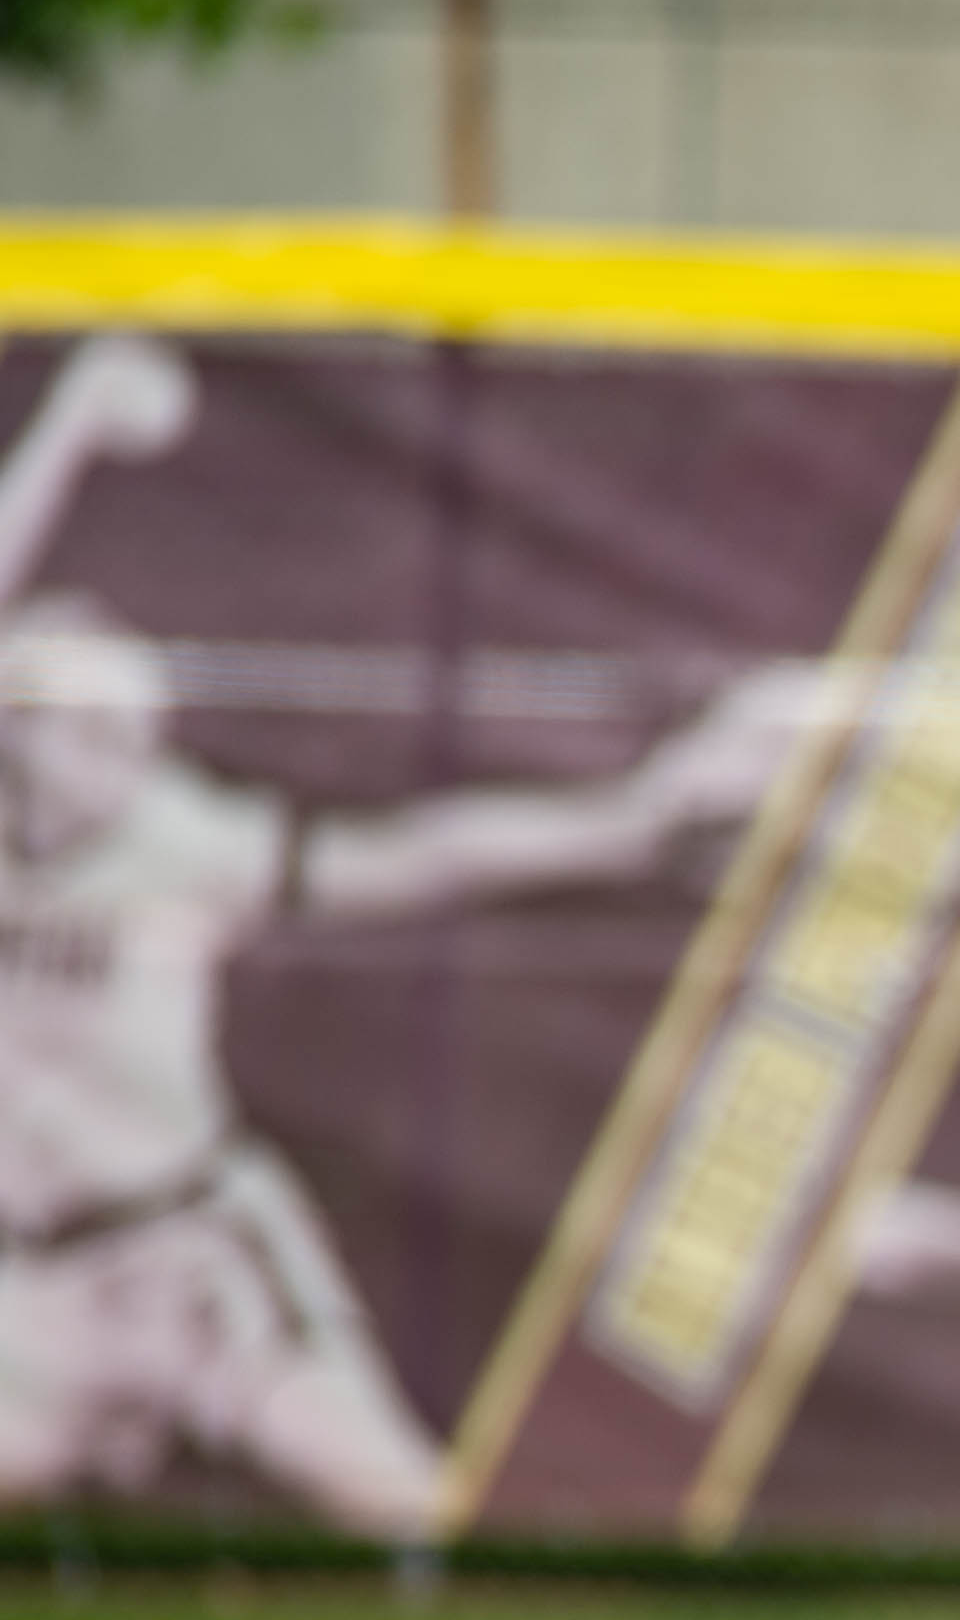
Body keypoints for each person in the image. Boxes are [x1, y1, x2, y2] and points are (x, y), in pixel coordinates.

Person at [0, 333, 802, 1542]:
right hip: (27, 1294)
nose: (128, 756)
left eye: (137, 728)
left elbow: (392, 859)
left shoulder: (176, 838)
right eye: (94, 731)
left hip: (186, 1257)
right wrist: (68, 427)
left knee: (412, 1514)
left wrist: (624, 826)